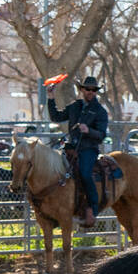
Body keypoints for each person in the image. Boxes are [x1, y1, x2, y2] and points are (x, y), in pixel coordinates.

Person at [48, 75, 108, 227]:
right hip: (71, 148)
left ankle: (93, 209)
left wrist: (88, 130)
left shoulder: (100, 111)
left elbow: (101, 135)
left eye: (93, 90)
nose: (90, 92)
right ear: (81, 89)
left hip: (89, 149)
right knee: (56, 170)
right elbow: (56, 116)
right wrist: (50, 97)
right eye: (87, 89)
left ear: (96, 92)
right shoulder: (75, 106)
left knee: (85, 173)